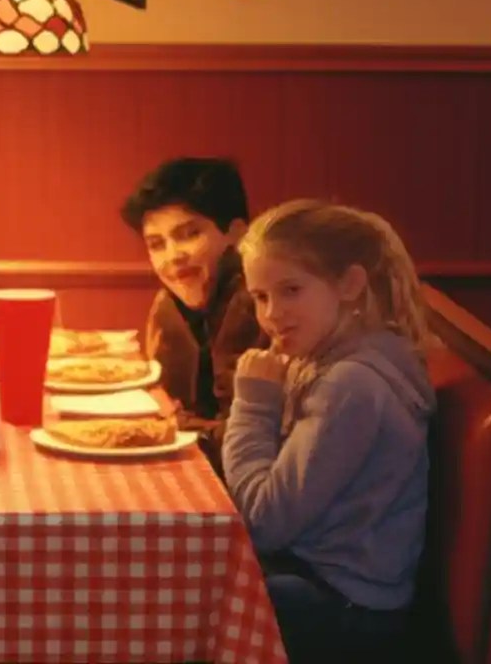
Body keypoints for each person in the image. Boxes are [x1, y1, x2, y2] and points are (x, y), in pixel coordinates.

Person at [223, 199, 436, 663]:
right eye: (261, 297)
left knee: (196, 597)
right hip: (326, 581)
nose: (272, 314)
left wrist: (255, 404)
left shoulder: (350, 383)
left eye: (291, 290)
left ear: (349, 285)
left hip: (348, 607)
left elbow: (264, 522)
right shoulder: (335, 358)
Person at [119, 157, 266, 477]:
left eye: (189, 234)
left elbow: (248, 440)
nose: (173, 256)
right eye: (156, 244)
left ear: (237, 233)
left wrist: (176, 424)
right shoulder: (172, 306)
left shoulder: (260, 308)